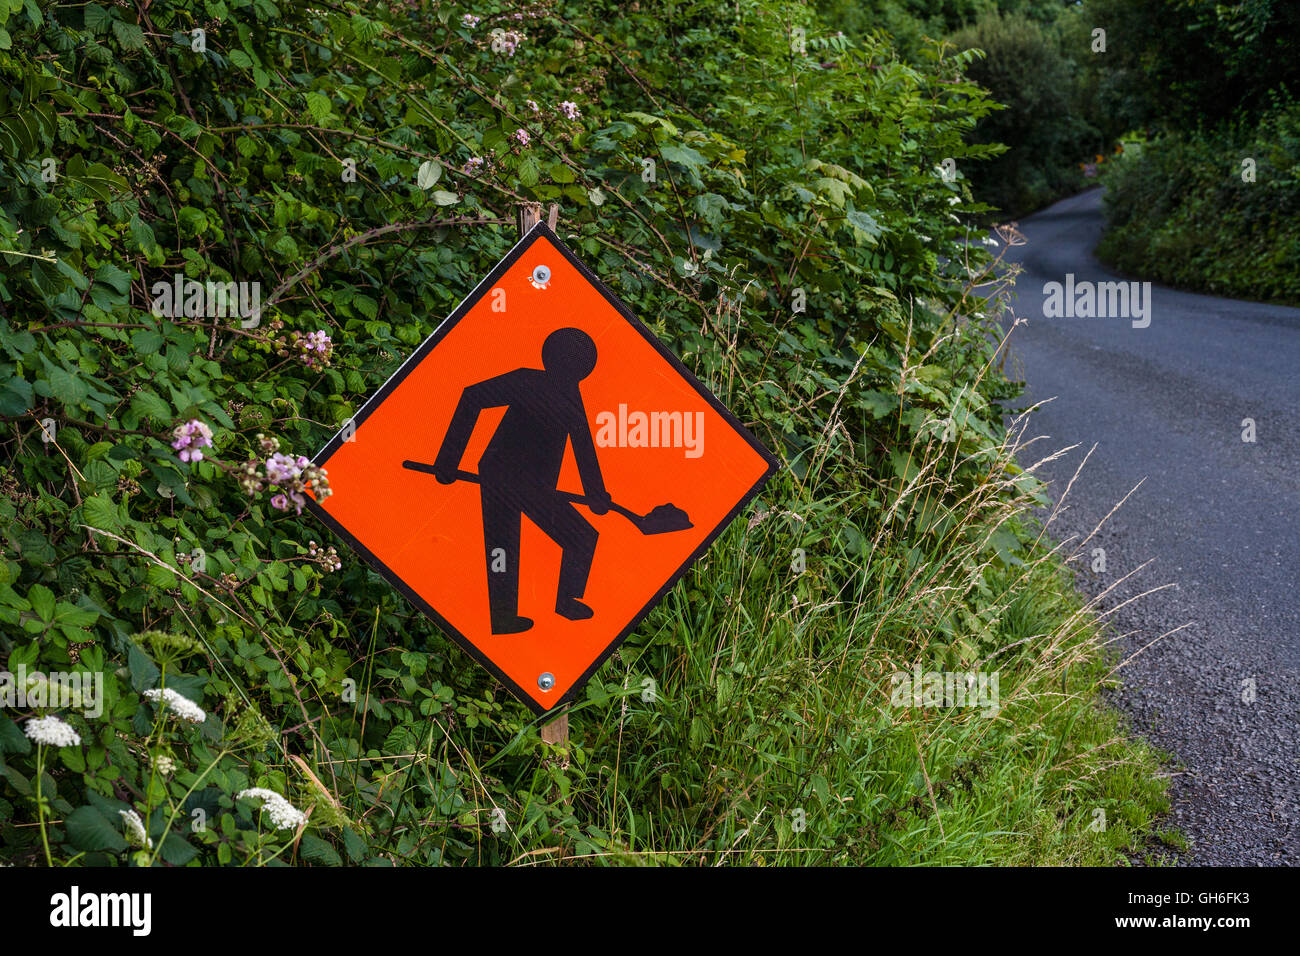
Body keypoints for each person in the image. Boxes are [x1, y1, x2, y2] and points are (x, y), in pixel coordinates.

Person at [432, 328, 611, 634]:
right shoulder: (528, 381)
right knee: (503, 546)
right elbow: (472, 397)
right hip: (503, 476)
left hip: (535, 485)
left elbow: (584, 448)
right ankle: (508, 617)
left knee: (577, 537)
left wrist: (596, 494)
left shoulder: (570, 398)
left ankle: (564, 603)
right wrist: (448, 461)